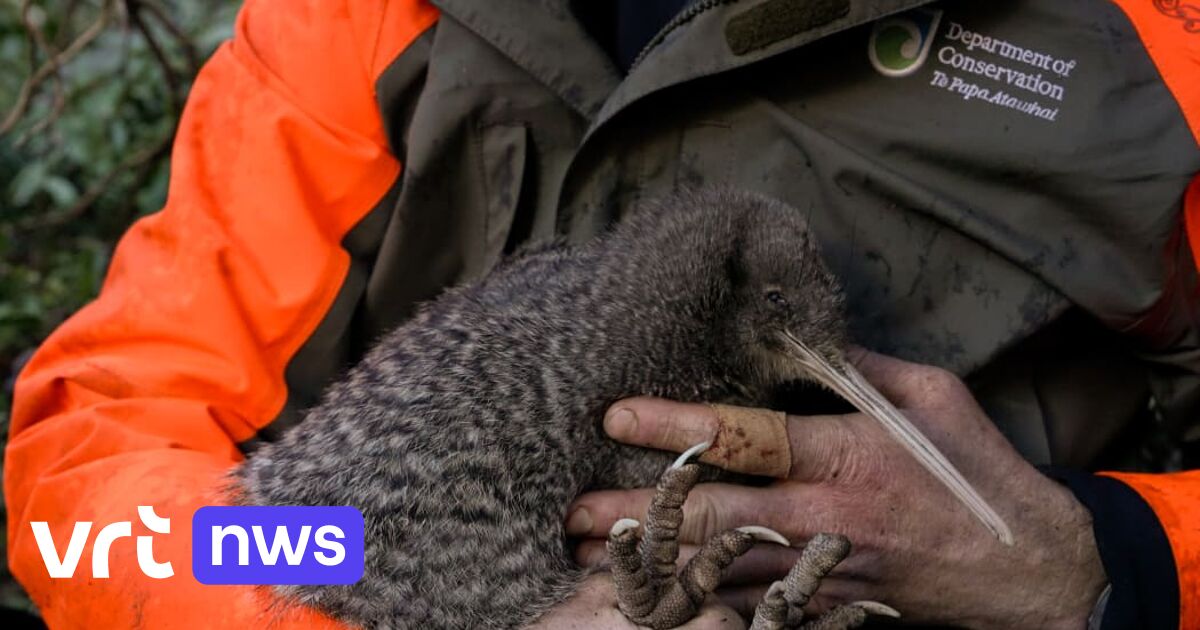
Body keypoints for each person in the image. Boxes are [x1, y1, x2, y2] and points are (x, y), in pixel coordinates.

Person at [6, 0, 1198, 628]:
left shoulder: (1146, 43)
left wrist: (1104, 560)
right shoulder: (359, 22)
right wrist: (393, 590)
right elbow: (97, 480)